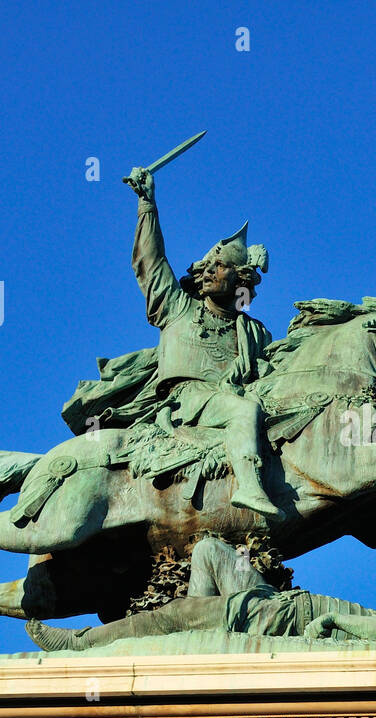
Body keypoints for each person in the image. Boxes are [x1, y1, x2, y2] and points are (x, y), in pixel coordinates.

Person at [126, 167, 281, 519]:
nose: (209, 270)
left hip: (232, 402)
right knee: (244, 411)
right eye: (207, 265)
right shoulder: (178, 307)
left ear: (241, 278)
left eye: (220, 266)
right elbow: (150, 263)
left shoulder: (255, 333)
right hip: (186, 403)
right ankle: (249, 488)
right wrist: (147, 204)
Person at [25, 537, 376, 650]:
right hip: (277, 603)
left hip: (276, 618)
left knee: (169, 617)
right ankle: (197, 617)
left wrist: (330, 621)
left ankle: (80, 643)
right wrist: (333, 619)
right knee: (208, 548)